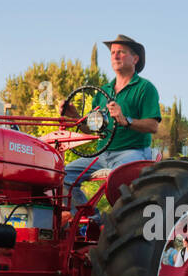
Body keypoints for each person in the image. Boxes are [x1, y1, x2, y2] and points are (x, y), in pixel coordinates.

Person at [63, 35, 161, 207]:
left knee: (119, 182)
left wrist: (126, 120)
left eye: (121, 52)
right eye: (113, 53)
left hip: (132, 152)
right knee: (62, 176)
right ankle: (91, 220)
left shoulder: (145, 88)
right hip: (101, 154)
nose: (115, 56)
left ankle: (121, 228)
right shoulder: (103, 91)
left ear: (135, 59)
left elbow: (153, 126)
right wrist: (77, 118)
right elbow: (93, 128)